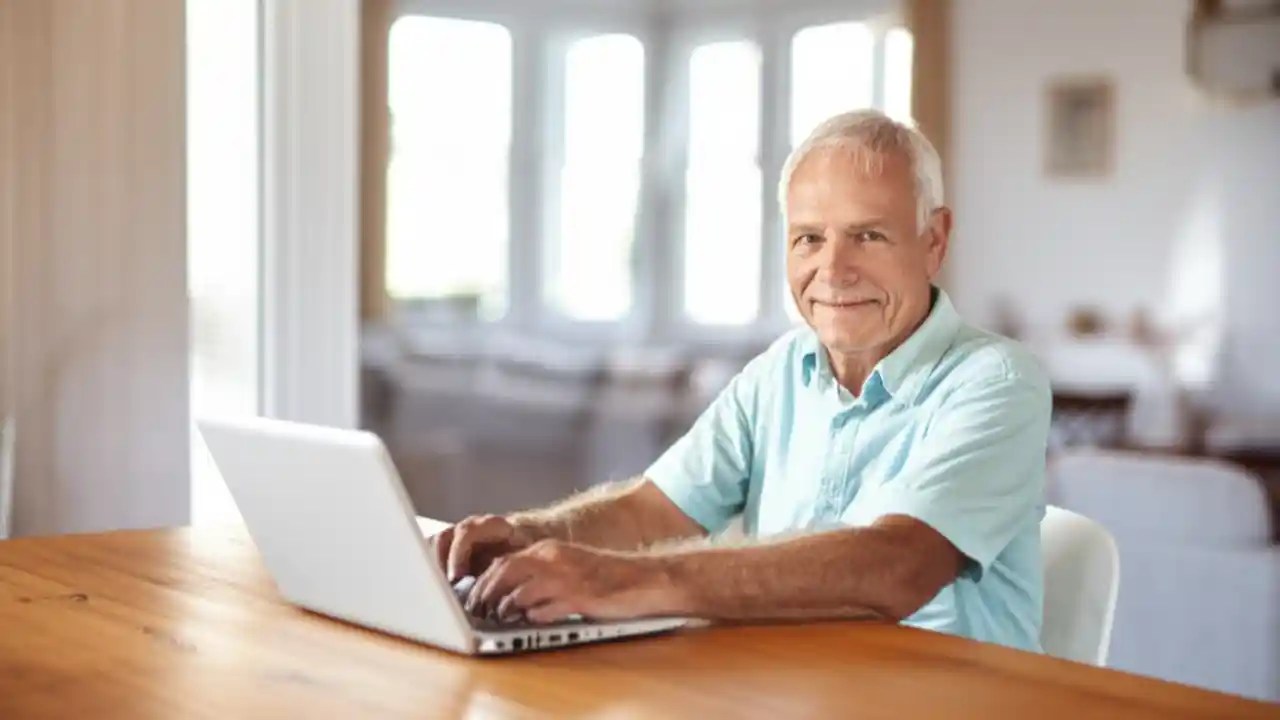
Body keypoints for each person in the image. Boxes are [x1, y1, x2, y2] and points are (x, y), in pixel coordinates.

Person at [435, 109, 1052, 651]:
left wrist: (617, 580)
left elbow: (895, 566)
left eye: (868, 236)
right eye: (809, 238)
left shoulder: (996, 382)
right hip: (788, 689)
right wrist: (528, 538)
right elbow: (655, 510)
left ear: (933, 240)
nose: (832, 270)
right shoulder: (780, 371)